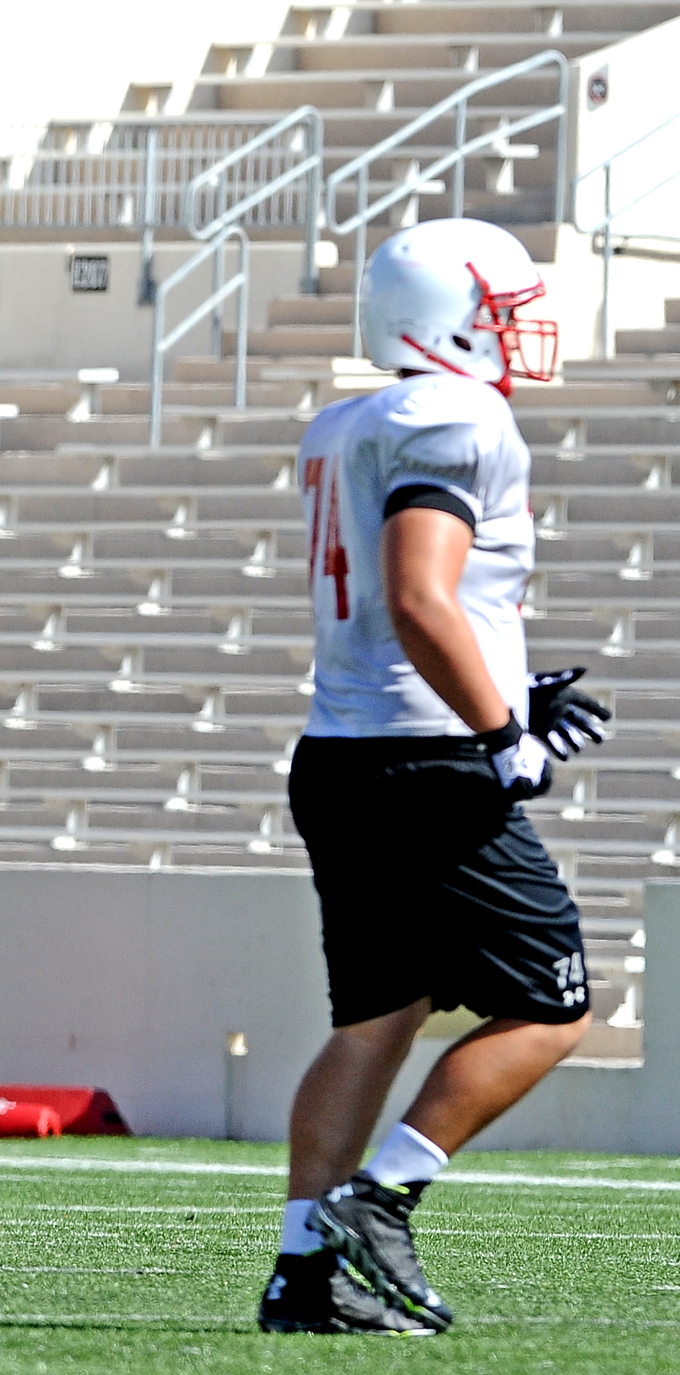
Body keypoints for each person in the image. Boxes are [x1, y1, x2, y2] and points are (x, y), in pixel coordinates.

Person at [259, 217, 613, 1336]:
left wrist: (505, 677)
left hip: (340, 750)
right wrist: (500, 727)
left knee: (376, 1014)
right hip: (425, 759)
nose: (516, 331)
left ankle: (300, 1275)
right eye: (499, 309)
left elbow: (409, 599)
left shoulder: (345, 417)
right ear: (446, 314)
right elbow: (418, 594)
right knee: (549, 1003)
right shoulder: (458, 414)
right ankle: (384, 1194)